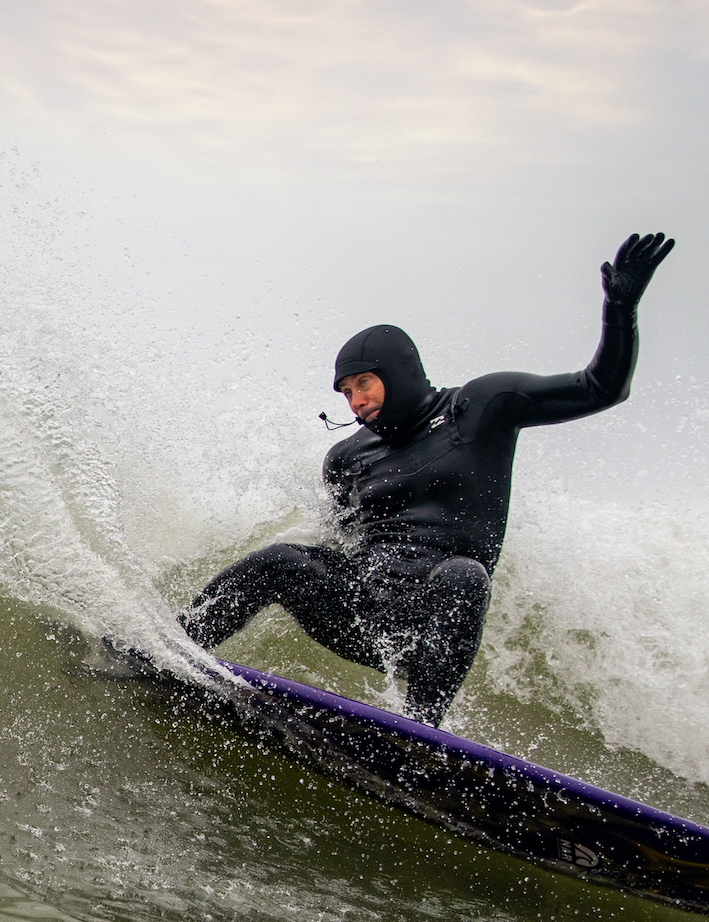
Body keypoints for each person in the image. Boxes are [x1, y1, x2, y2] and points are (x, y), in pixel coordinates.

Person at [179, 232, 675, 722]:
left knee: (465, 575)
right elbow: (342, 540)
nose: (355, 402)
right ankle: (172, 649)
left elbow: (601, 388)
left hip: (433, 617)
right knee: (282, 560)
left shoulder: (481, 407)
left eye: (364, 384)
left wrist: (621, 310)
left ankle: (418, 730)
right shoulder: (346, 457)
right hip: (361, 612)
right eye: (346, 392)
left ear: (398, 373)